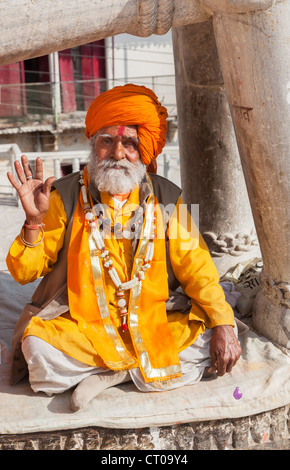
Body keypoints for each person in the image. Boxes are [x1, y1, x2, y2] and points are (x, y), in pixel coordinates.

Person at [6, 84, 241, 411]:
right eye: (107, 142)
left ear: (143, 151)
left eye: (130, 143)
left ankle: (110, 373)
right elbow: (23, 272)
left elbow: (198, 269)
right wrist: (33, 221)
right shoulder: (63, 195)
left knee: (210, 335)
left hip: (154, 321)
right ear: (93, 146)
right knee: (36, 349)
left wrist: (224, 325)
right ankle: (135, 371)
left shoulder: (167, 197)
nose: (118, 154)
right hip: (85, 328)